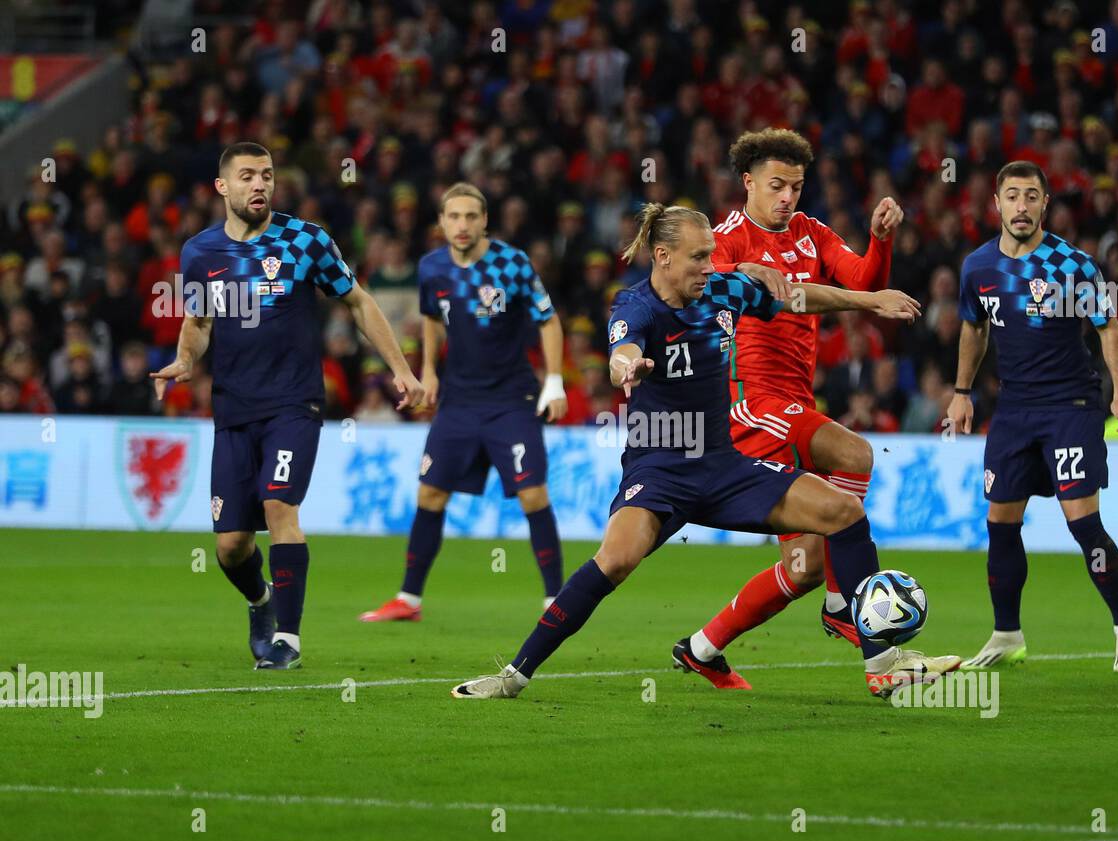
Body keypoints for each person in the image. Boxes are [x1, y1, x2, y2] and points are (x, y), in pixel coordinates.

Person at [451, 203, 922, 700]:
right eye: (699, 257)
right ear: (663, 256)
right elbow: (621, 351)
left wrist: (868, 300)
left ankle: (882, 665)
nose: (708, 266)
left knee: (844, 512)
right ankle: (514, 675)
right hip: (659, 471)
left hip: (723, 468)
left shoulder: (724, 291)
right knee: (615, 561)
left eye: (712, 256)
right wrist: (627, 366)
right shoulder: (635, 306)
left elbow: (798, 298)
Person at [681, 128, 960, 694]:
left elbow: (862, 279)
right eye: (776, 185)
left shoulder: (811, 233)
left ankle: (703, 648)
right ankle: (866, 638)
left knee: (804, 565)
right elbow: (784, 295)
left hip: (793, 402)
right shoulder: (729, 237)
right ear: (748, 184)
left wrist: (880, 242)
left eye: (797, 187)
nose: (787, 197)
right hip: (750, 403)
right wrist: (861, 299)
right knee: (854, 452)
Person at [151, 141, 424, 670]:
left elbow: (358, 302)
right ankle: (261, 601)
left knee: (280, 506)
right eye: (248, 176)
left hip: (293, 405)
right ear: (222, 186)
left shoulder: (305, 240)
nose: (260, 185)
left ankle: (289, 641)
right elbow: (200, 321)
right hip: (233, 411)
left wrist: (401, 368)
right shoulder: (200, 253)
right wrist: (185, 360)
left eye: (267, 176)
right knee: (230, 545)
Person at [948, 161, 1118, 674]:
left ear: (1044, 203)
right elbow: (973, 329)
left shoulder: (1071, 264)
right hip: (1013, 409)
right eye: (1011, 196)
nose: (1021, 206)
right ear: (996, 203)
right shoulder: (978, 268)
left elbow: (1109, 327)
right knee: (1000, 523)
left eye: (1030, 196)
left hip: (1070, 406)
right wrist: (962, 392)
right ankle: (1006, 634)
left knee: (1083, 524)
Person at [359, 182, 567, 622]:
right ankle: (408, 600)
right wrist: (430, 371)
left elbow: (548, 321)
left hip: (512, 400)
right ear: (440, 222)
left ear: (485, 220)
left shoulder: (512, 263)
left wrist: (554, 380)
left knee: (532, 494)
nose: (462, 225)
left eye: (471, 216)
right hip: (458, 401)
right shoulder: (432, 268)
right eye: (453, 216)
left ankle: (556, 599)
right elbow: (433, 319)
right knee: (430, 494)